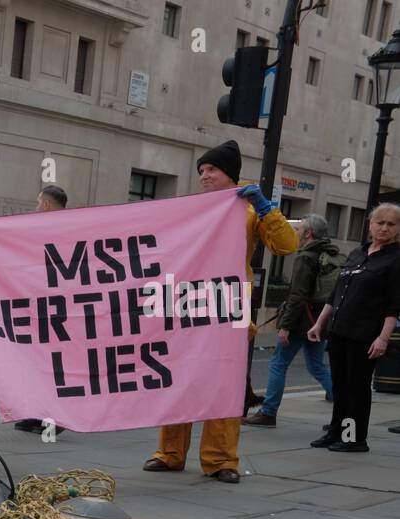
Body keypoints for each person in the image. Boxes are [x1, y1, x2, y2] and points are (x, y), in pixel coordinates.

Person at [143, 140, 297, 483]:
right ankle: (169, 453)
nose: (204, 176)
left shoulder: (249, 210)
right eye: (201, 170)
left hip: (229, 312)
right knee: (179, 383)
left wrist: (265, 208)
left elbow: (286, 245)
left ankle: (220, 460)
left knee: (223, 387)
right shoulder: (191, 209)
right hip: (186, 308)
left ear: (230, 174)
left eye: (211, 169)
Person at [306, 202, 400, 453]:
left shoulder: (395, 259)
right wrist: (319, 323)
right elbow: (336, 293)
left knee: (357, 387)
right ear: (370, 224)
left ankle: (355, 438)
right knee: (340, 384)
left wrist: (382, 338)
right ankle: (336, 431)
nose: (384, 228)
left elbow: (394, 305)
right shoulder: (357, 253)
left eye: (391, 224)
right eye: (380, 222)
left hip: (365, 333)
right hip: (339, 330)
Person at [243, 214, 341, 427]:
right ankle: (339, 399)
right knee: (316, 364)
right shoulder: (329, 253)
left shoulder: (306, 257)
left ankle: (268, 413)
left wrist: (285, 326)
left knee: (278, 364)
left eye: (299, 230)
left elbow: (297, 295)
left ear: (308, 234)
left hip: (299, 323)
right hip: (318, 320)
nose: (296, 233)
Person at [14, 188, 70, 433]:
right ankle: (36, 413)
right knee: (38, 362)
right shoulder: (42, 229)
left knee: (56, 365)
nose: (35, 208)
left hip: (59, 308)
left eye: (38, 203)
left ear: (46, 205)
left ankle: (57, 419)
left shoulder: (64, 230)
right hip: (41, 305)